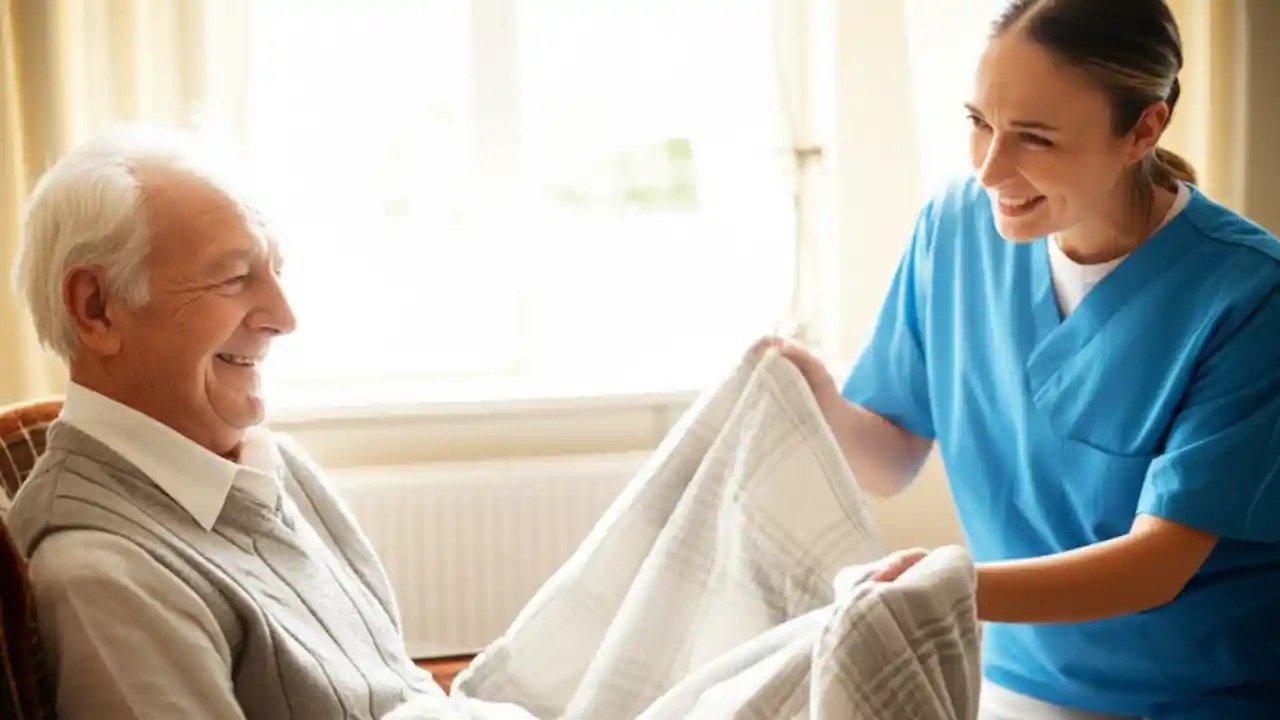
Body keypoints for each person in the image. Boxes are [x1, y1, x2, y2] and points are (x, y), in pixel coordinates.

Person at [776, 1, 1280, 718]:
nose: (989, 170)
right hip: (1016, 678)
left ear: (1143, 129)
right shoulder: (953, 229)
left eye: (1034, 140)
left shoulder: (1250, 295)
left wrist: (947, 585)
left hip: (1200, 695)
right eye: (979, 122)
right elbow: (889, 460)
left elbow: (1156, 566)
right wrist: (815, 397)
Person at [6, 130, 449, 718]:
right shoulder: (107, 573)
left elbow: (392, 684)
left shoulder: (277, 464)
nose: (284, 318)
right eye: (235, 278)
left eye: (274, 272)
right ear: (97, 308)